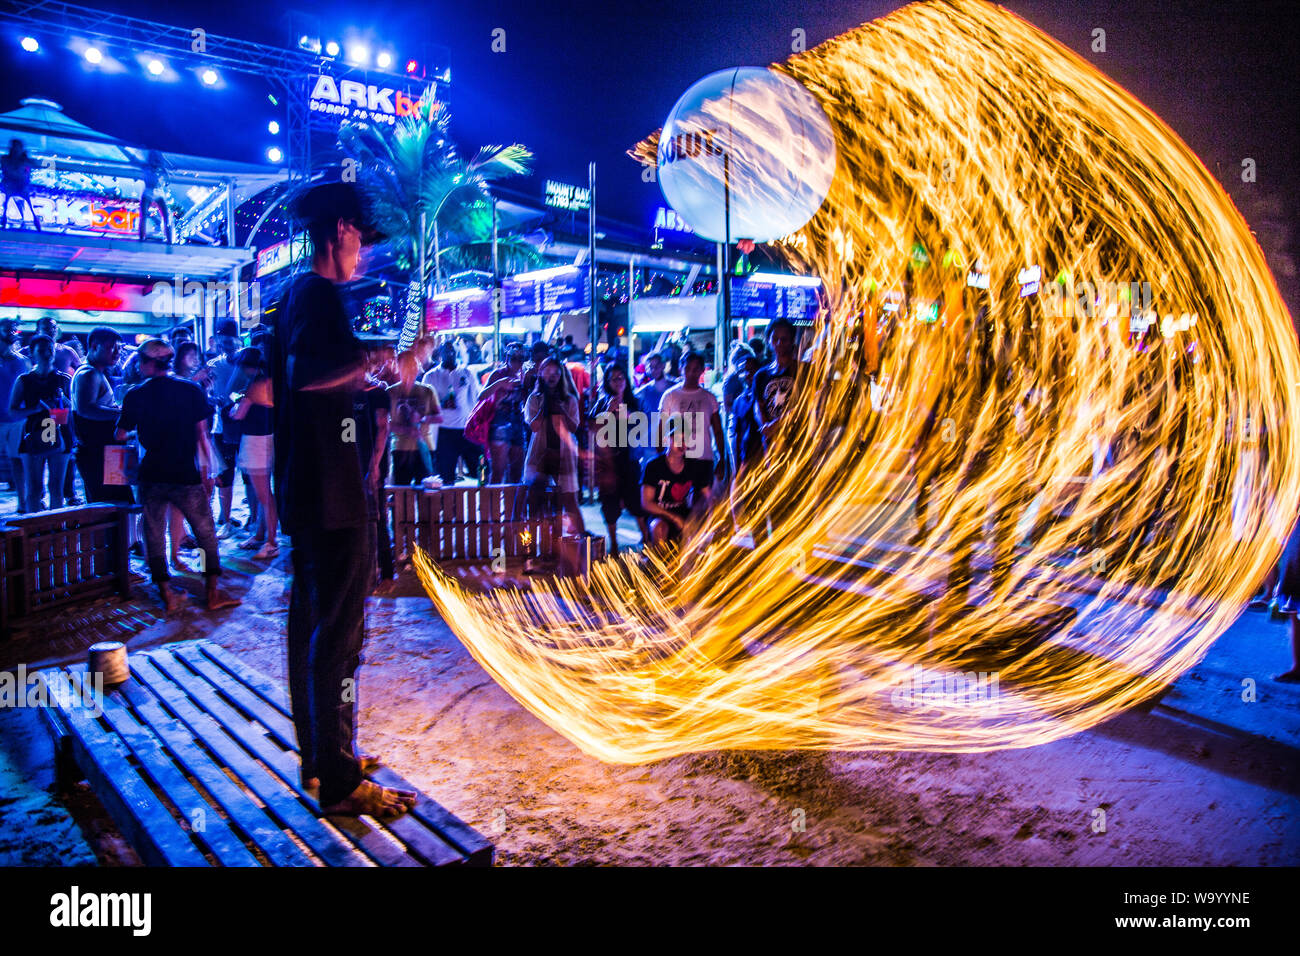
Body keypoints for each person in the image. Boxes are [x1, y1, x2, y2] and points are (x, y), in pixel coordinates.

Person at [266, 178, 416, 820]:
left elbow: (304, 379)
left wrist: (367, 373)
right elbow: (306, 379)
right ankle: (340, 775)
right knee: (340, 635)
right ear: (339, 231)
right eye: (359, 234)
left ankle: (324, 755)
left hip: (313, 486)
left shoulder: (298, 297)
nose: (362, 249)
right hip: (332, 492)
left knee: (313, 625)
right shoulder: (320, 294)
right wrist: (378, 361)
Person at [114, 339, 239, 612]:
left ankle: (166, 594)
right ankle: (212, 593)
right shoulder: (191, 390)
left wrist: (142, 432)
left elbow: (120, 435)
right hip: (186, 474)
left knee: (154, 534)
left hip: (151, 475)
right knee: (206, 533)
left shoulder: (135, 394)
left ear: (147, 364)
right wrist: (207, 472)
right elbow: (202, 436)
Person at [519, 355, 585, 572]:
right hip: (538, 457)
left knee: (568, 503)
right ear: (541, 374)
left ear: (562, 375)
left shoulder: (570, 399)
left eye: (556, 373)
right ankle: (530, 554)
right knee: (535, 507)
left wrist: (560, 407)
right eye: (548, 372)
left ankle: (578, 552)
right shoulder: (534, 398)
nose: (552, 376)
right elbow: (535, 426)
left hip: (564, 458)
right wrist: (546, 403)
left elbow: (574, 427)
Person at [8, 335, 73, 511]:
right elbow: (13, 410)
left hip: (59, 432)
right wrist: (35, 409)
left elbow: (72, 409)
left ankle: (57, 533)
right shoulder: (24, 380)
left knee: (56, 488)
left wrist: (61, 403)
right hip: (33, 433)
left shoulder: (64, 379)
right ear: (33, 353)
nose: (47, 354)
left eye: (50, 350)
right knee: (34, 488)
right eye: (42, 350)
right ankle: (35, 532)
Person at [590, 364, 648, 555]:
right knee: (610, 505)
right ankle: (614, 544)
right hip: (608, 463)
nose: (618, 382)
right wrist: (607, 411)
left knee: (635, 502)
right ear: (607, 382)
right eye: (613, 378)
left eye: (621, 377)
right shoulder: (601, 403)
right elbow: (592, 429)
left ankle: (646, 539)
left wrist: (626, 414)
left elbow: (642, 426)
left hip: (630, 460)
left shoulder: (634, 401)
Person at [72, 327, 133, 505]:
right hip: (100, 453)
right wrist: (124, 412)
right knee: (112, 508)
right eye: (111, 347)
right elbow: (86, 409)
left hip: (106, 451)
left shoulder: (95, 371)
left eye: (119, 348)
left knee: (120, 506)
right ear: (93, 346)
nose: (116, 352)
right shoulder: (88, 373)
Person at [228, 348, 278, 560]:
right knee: (264, 493)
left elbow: (238, 414)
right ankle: (260, 536)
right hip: (268, 438)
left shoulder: (255, 384)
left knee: (264, 494)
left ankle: (271, 542)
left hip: (256, 442)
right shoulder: (271, 382)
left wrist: (232, 406)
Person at [658, 350, 726, 487]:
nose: (691, 373)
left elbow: (718, 430)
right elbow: (661, 426)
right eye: (687, 368)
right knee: (677, 502)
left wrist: (722, 458)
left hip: (704, 458)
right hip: (677, 458)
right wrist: (660, 451)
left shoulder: (709, 397)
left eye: (695, 369)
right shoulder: (670, 395)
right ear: (680, 369)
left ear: (702, 370)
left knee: (702, 503)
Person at [205, 322, 246, 538]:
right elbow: (204, 393)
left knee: (249, 474)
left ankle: (252, 519)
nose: (227, 345)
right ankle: (226, 518)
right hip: (220, 428)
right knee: (225, 473)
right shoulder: (212, 365)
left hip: (246, 426)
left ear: (237, 340)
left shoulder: (246, 362)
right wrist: (213, 399)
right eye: (223, 341)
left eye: (231, 341)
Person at [355, 355, 393, 585]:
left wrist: (374, 465)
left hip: (374, 464)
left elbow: (383, 429)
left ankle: (386, 572)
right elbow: (347, 428)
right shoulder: (349, 394)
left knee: (377, 516)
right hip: (355, 464)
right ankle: (364, 572)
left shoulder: (377, 393)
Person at [641, 426, 711, 549]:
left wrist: (714, 515)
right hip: (660, 514)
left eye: (686, 440)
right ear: (668, 440)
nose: (682, 444)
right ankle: (661, 563)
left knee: (702, 525)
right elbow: (646, 503)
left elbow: (708, 495)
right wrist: (673, 518)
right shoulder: (654, 466)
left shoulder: (693, 466)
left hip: (682, 512)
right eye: (678, 439)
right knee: (660, 528)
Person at [423, 341, 481, 486]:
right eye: (446, 351)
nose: (450, 354)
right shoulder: (430, 376)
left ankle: (486, 500)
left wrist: (477, 424)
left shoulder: (466, 373)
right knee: (445, 474)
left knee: (481, 469)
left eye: (453, 351)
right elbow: (425, 405)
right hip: (444, 431)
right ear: (440, 354)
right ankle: (449, 506)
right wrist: (441, 404)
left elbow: (475, 399)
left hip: (466, 429)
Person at [387, 350, 442, 485]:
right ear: (398, 368)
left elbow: (439, 417)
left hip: (424, 448)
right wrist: (407, 430)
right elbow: (385, 424)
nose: (410, 369)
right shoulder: (390, 392)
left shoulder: (427, 390)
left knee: (427, 493)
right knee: (401, 494)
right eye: (405, 366)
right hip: (400, 449)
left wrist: (422, 419)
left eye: (413, 365)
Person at [482, 343, 528, 484]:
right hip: (500, 421)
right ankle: (491, 505)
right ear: (507, 358)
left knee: (516, 472)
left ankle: (511, 506)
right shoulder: (498, 374)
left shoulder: (525, 374)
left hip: (518, 421)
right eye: (514, 358)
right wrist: (500, 384)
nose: (517, 362)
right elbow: (481, 396)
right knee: (498, 471)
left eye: (521, 359)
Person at [0, 318, 31, 512]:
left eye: (15, 329)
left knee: (17, 460)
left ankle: (22, 502)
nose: (13, 332)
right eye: (9, 329)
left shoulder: (23, 361)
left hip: (17, 420)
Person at [633, 351, 677, 461]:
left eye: (657, 366)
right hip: (650, 445)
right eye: (651, 367)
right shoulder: (643, 393)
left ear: (663, 365)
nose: (654, 370)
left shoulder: (675, 388)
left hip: (672, 443)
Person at [1, 139, 40, 231]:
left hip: (20, 185)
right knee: (6, 205)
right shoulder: (6, 159)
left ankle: (37, 224)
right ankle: (4, 223)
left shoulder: (22, 160)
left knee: (29, 206)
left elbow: (34, 165)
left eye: (17, 148)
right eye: (15, 148)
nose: (16, 150)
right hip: (11, 184)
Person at [138, 149, 171, 243]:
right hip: (148, 192)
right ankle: (141, 238)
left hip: (158, 193)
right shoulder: (146, 167)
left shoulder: (162, 169)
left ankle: (169, 240)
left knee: (166, 217)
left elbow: (168, 179)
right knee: (143, 216)